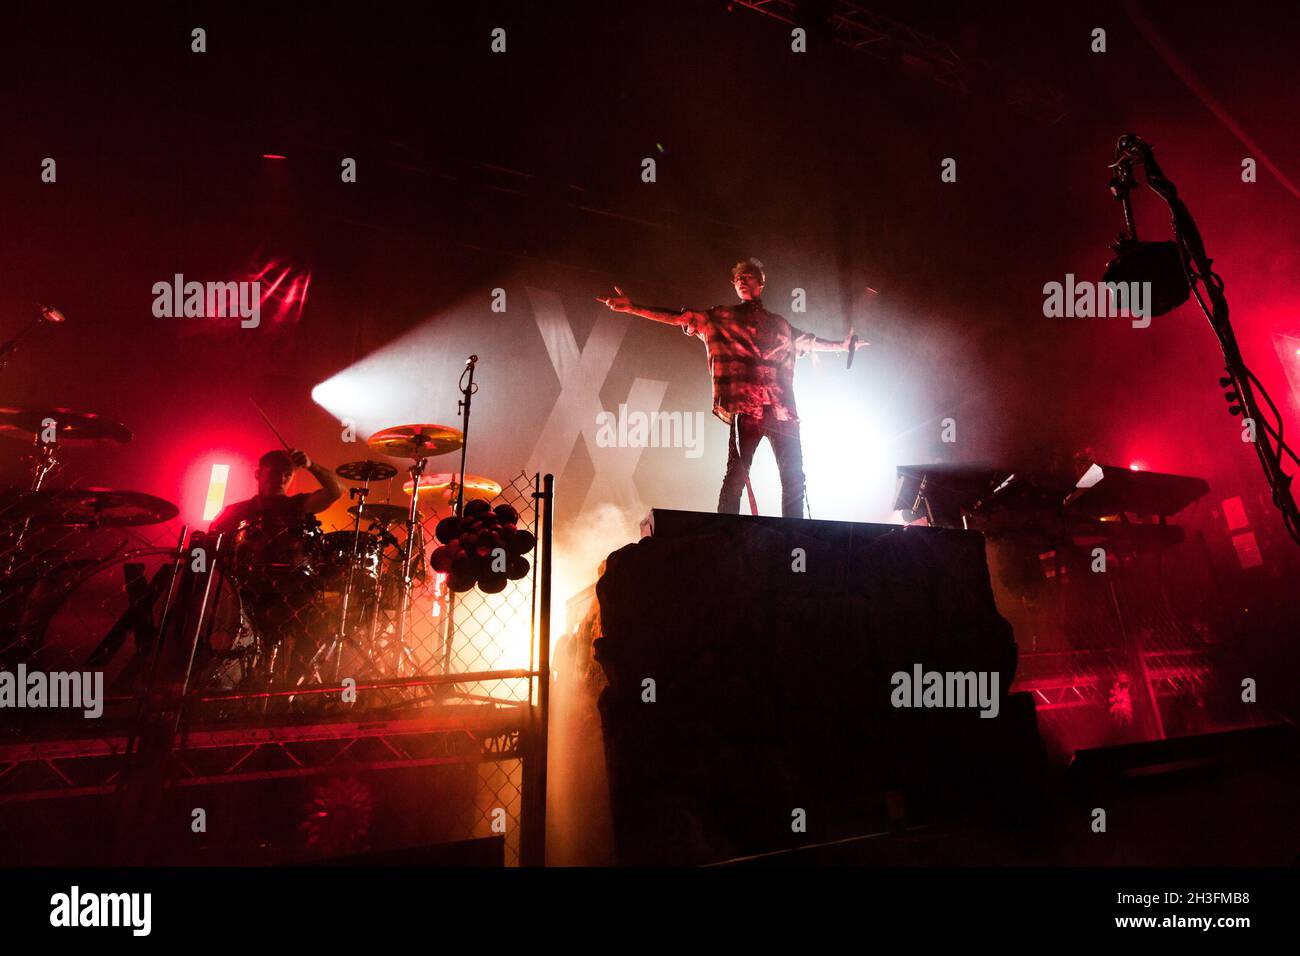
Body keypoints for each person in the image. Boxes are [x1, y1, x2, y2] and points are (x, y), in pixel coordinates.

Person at [597, 257, 867, 518]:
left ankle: (794, 531)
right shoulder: (722, 316)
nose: (742, 282)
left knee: (794, 475)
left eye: (748, 277)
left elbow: (809, 341)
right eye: (738, 279)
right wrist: (633, 307)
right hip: (747, 408)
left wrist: (841, 346)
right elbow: (681, 317)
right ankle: (727, 529)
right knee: (737, 473)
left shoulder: (780, 325)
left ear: (761, 283)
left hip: (780, 410)